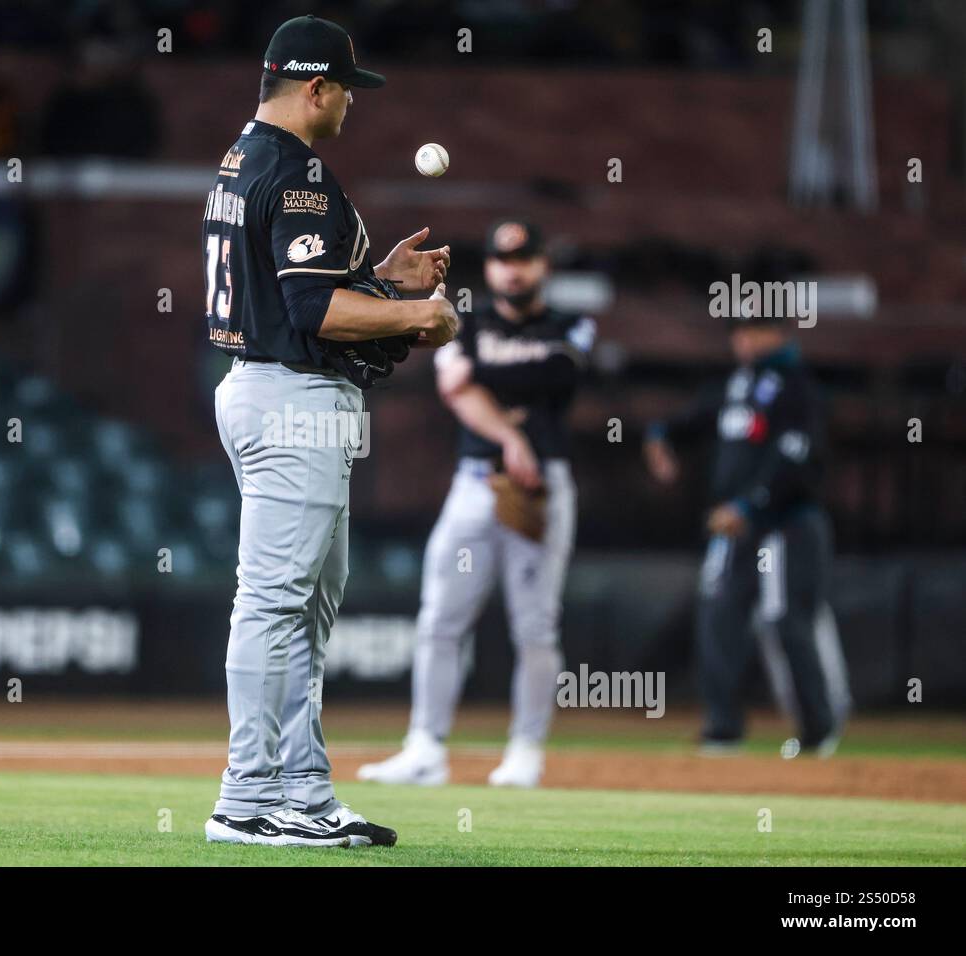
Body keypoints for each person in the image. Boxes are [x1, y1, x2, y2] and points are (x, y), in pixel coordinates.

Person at [201, 16, 457, 847]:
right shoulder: (299, 169)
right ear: (315, 87)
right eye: (346, 87)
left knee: (307, 608)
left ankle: (303, 790)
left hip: (267, 387)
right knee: (276, 603)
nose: (352, 101)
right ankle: (246, 798)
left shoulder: (244, 158)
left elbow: (294, 296)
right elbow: (312, 311)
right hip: (292, 402)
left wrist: (379, 282)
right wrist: (418, 312)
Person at [358, 220, 595, 788]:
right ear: (490, 268)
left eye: (524, 257)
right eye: (501, 259)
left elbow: (559, 375)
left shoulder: (572, 325)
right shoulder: (472, 320)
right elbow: (453, 386)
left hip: (542, 487)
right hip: (474, 482)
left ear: (542, 266)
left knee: (535, 625)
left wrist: (482, 377)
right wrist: (514, 432)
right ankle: (425, 747)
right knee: (440, 618)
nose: (512, 268)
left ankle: (526, 751)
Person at [642, 309, 847, 754]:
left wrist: (749, 505)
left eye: (756, 330)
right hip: (735, 532)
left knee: (787, 622)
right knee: (718, 615)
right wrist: (659, 436)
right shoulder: (736, 384)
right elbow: (690, 422)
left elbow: (796, 458)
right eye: (740, 331)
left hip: (787, 525)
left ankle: (817, 729)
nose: (746, 340)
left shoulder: (797, 387)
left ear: (778, 332)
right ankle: (723, 727)